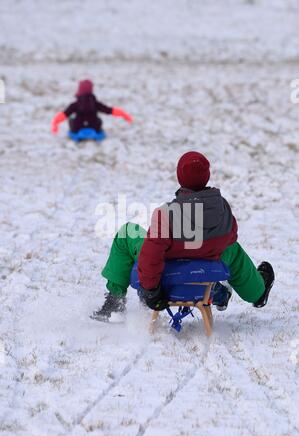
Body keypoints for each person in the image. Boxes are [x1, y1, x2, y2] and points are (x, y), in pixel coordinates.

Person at [92, 151, 274, 322]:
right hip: (206, 265)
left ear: (179, 177)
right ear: (207, 176)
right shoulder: (223, 208)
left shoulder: (166, 214)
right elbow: (231, 235)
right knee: (232, 250)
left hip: (168, 268)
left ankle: (114, 302)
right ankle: (256, 292)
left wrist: (150, 290)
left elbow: (150, 256)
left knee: (127, 233)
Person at [51, 79, 132, 136]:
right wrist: (124, 115)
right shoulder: (95, 103)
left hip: (78, 127)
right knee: (98, 119)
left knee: (71, 119)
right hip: (94, 126)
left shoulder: (75, 104)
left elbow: (64, 114)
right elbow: (110, 110)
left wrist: (55, 123)